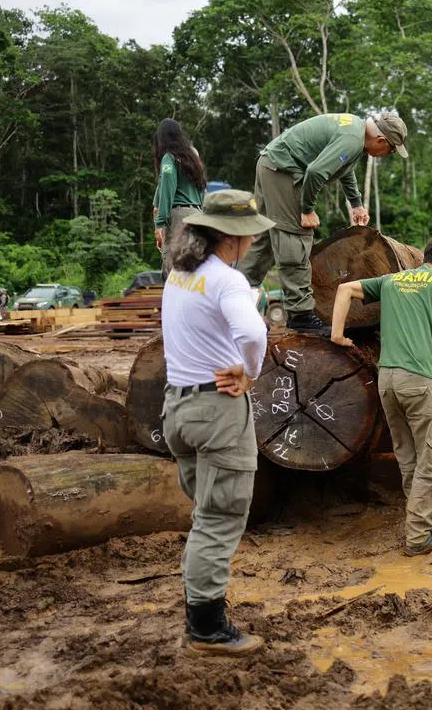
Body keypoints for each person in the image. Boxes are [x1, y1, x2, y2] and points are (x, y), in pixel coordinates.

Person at [329, 236, 432, 556]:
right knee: (431, 459)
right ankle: (418, 537)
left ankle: (418, 521)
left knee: (408, 457)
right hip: (420, 381)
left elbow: (344, 289)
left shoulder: (393, 280)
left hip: (388, 381)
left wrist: (337, 335)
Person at [161, 188, 275, 655]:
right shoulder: (227, 280)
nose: (253, 241)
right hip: (217, 410)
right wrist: (250, 372)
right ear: (233, 237)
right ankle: (206, 629)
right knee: (219, 517)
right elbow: (252, 332)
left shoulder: (180, 274)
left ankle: (198, 606)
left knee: (204, 514)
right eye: (249, 234)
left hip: (177, 407)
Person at [239, 112, 409, 336]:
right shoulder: (352, 138)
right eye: (391, 149)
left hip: (272, 165)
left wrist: (356, 204)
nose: (388, 154)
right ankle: (300, 314)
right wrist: (307, 210)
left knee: (265, 236)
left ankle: (237, 291)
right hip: (284, 170)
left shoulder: (355, 132)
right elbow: (316, 172)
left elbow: (345, 169)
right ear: (380, 140)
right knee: (296, 236)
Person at [153, 118, 207, 277]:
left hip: (179, 217)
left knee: (174, 268)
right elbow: (202, 189)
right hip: (197, 215)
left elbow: (167, 191)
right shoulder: (192, 157)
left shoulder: (168, 159)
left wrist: (159, 224)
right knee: (195, 265)